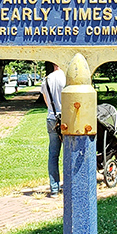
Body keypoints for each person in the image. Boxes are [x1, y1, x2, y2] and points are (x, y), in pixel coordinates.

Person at [41, 63, 66, 197]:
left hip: (52, 118)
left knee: (53, 155)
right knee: (69, 153)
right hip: (66, 119)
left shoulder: (46, 80)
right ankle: (69, 184)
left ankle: (54, 188)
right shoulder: (67, 78)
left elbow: (46, 101)